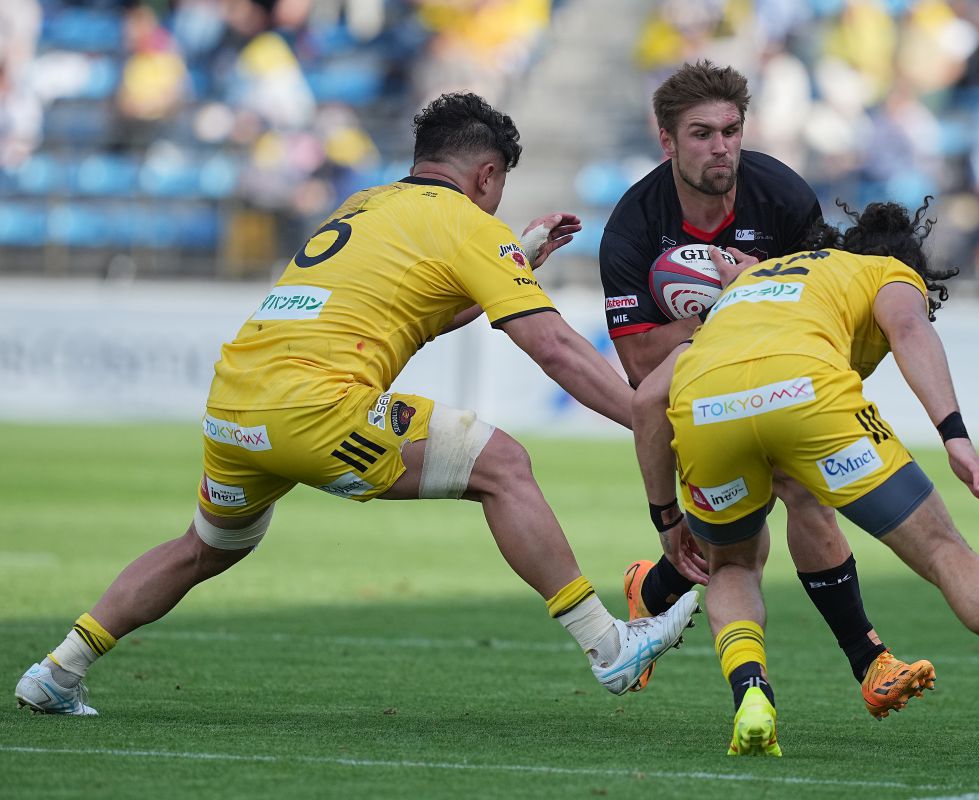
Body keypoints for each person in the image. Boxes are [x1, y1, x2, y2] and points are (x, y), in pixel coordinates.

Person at [14, 92, 699, 716]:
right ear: (487, 176)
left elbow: (422, 312)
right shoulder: (467, 224)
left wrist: (514, 258)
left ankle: (58, 671)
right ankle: (608, 646)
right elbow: (554, 348)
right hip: (316, 408)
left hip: (234, 404)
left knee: (204, 547)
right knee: (504, 467)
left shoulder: (363, 205)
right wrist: (647, 416)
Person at [630, 198, 979, 756]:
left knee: (733, 565)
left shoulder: (750, 283)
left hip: (705, 404)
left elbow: (645, 403)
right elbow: (908, 326)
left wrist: (666, 519)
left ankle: (752, 694)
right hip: (806, 395)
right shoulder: (885, 271)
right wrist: (954, 434)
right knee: (943, 550)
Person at [598, 60, 933, 712]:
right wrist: (731, 306)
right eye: (701, 134)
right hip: (691, 387)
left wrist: (755, 298)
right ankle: (859, 658)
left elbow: (818, 298)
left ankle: (867, 663)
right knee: (755, 530)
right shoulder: (634, 224)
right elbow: (639, 361)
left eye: (730, 131)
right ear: (667, 141)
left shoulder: (782, 195)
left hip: (783, 370)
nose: (720, 147)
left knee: (799, 490)